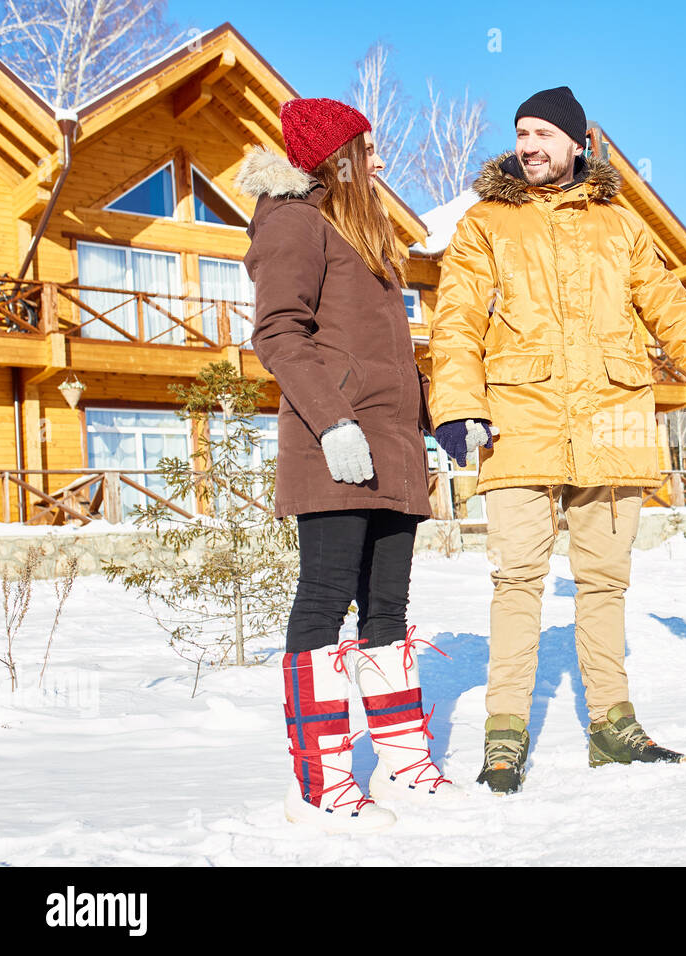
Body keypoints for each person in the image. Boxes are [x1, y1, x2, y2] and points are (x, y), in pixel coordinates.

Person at [430, 86, 686, 793]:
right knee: (516, 580)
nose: (528, 145)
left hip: (613, 423)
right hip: (519, 423)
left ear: (576, 142)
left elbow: (681, 324)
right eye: (520, 132)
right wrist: (458, 405)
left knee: (605, 583)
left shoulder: (623, 228)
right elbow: (457, 319)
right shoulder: (486, 223)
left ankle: (613, 725)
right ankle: (504, 733)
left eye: (542, 134)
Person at [237, 97, 447, 832]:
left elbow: (384, 352)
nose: (381, 160)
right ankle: (320, 782)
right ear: (336, 157)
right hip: (337, 446)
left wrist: (435, 423)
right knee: (324, 600)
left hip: (393, 447)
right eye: (368, 147)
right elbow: (278, 333)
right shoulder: (294, 220)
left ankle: (399, 762)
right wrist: (332, 423)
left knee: (388, 607)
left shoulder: (363, 231)